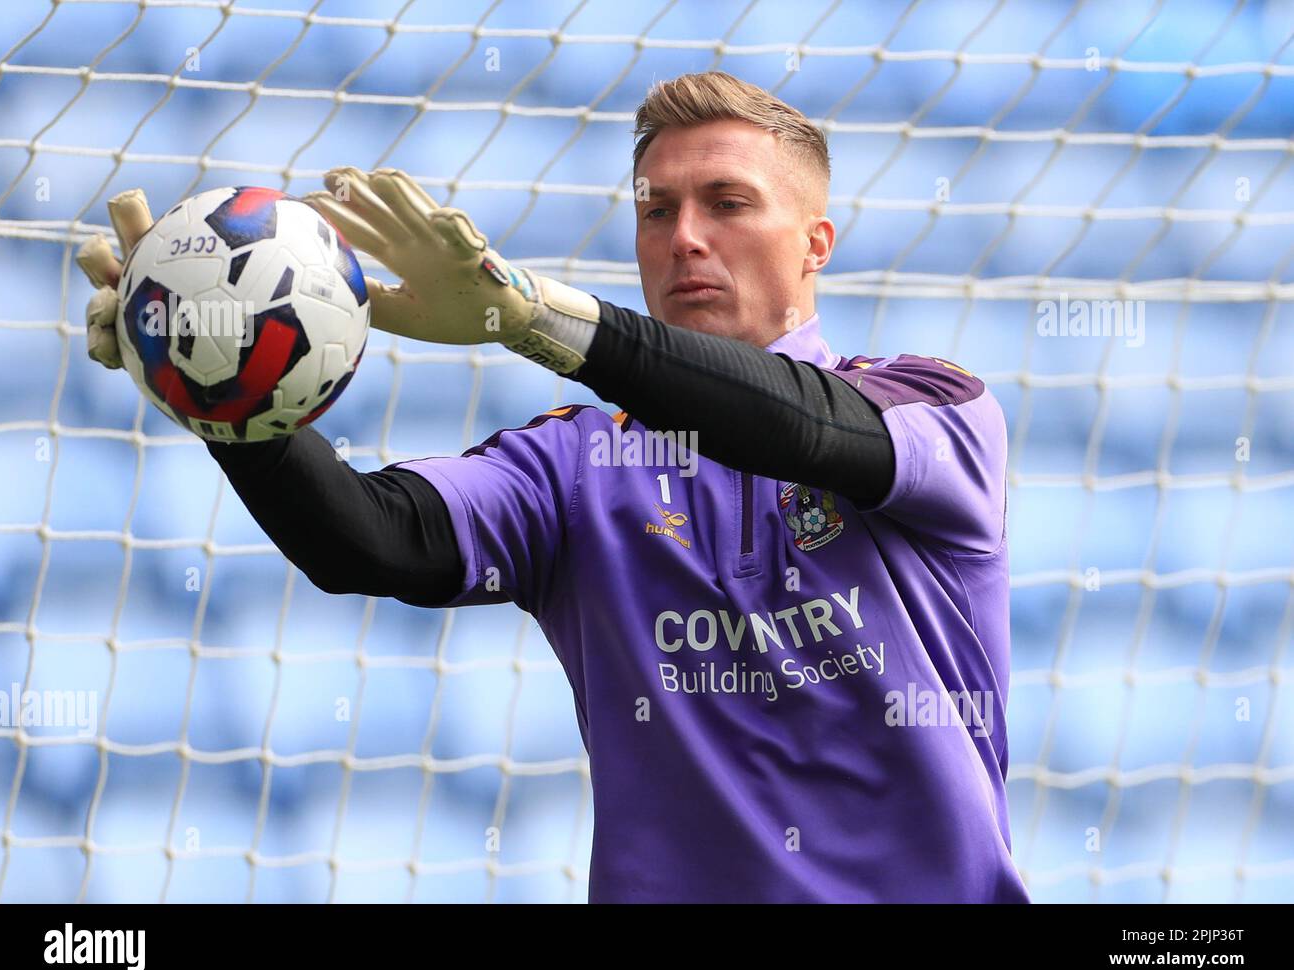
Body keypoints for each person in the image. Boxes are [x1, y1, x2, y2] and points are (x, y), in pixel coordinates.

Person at [78, 71, 1028, 903]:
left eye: (728, 203)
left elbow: (802, 423)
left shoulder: (935, 408)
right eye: (658, 210)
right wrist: (224, 389)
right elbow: (367, 540)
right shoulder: (577, 465)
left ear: (816, 240)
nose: (686, 237)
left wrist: (530, 316)